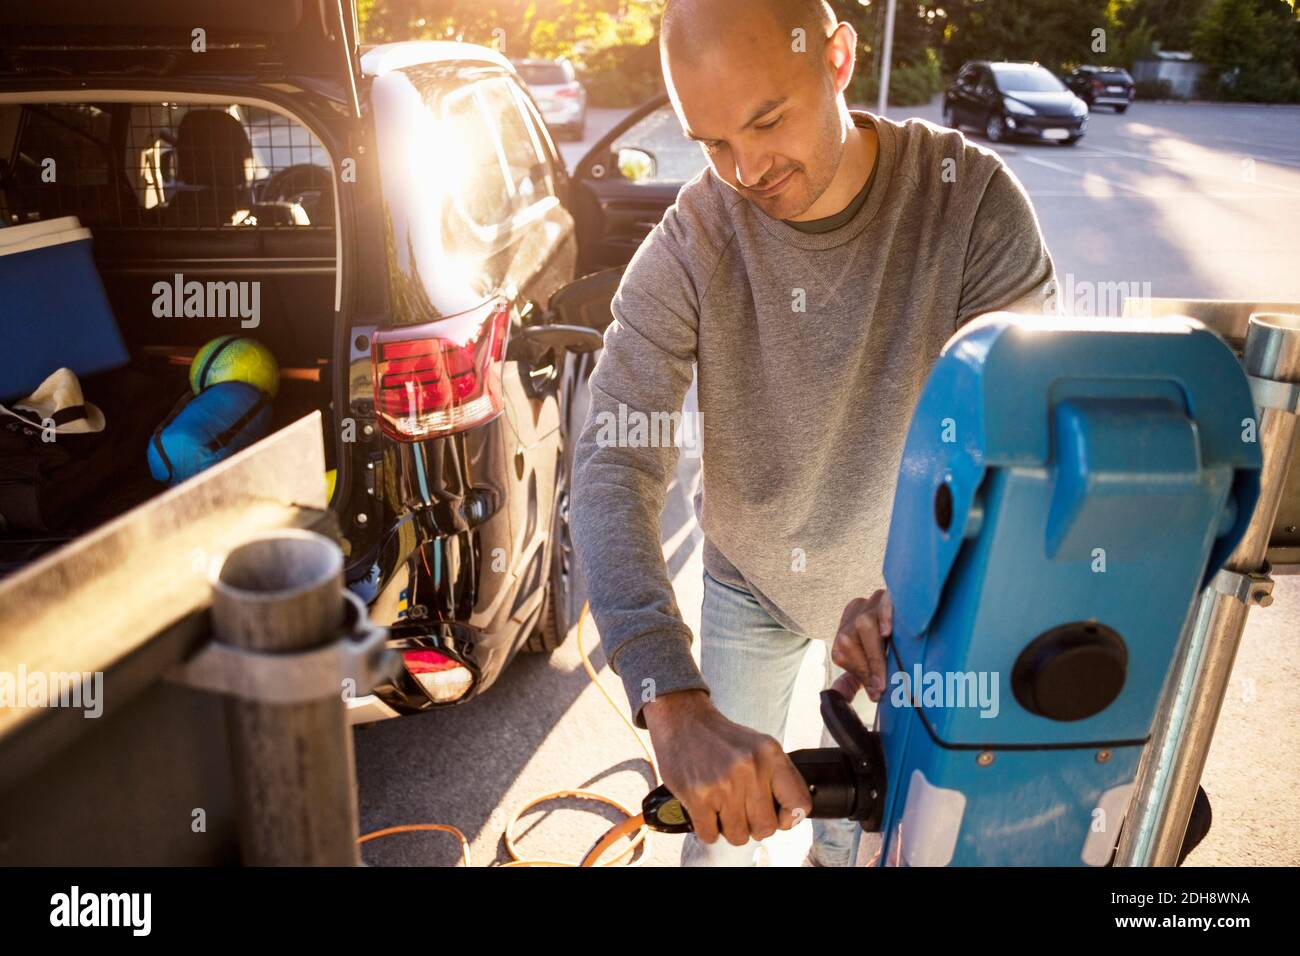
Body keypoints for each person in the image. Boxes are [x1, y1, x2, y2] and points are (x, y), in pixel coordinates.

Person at [569, 0, 1059, 866]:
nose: (746, 169)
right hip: (751, 574)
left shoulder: (970, 203)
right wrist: (669, 698)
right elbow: (613, 459)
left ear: (836, 59)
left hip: (907, 603)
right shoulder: (694, 238)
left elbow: (1021, 449)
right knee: (719, 834)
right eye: (712, 141)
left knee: (867, 839)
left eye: (767, 120)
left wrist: (936, 590)